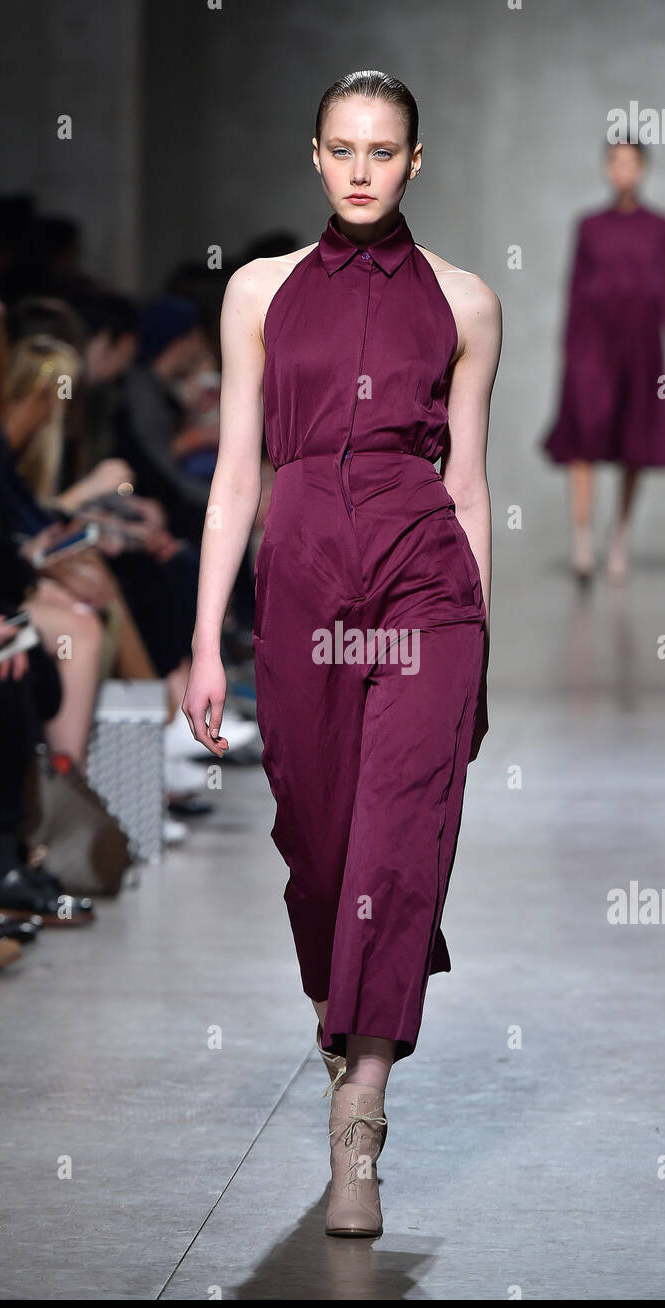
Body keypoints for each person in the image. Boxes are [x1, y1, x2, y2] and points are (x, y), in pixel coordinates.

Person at [182, 69, 500, 1237]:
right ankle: (343, 1022)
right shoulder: (257, 293)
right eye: (341, 149)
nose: (361, 169)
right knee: (319, 850)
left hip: (426, 586)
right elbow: (232, 476)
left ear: (416, 162)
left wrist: (483, 646)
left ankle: (359, 1114)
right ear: (314, 156)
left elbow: (466, 483)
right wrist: (204, 640)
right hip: (304, 577)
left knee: (397, 835)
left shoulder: (466, 302)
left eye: (383, 151)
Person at [542, 140, 665, 582]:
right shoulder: (588, 226)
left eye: (631, 162)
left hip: (641, 345)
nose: (623, 170)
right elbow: (574, 287)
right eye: (616, 161)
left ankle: (620, 536)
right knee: (583, 437)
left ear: (642, 169)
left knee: (634, 442)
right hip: (592, 343)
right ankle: (582, 540)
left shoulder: (661, 227)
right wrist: (569, 349)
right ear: (607, 168)